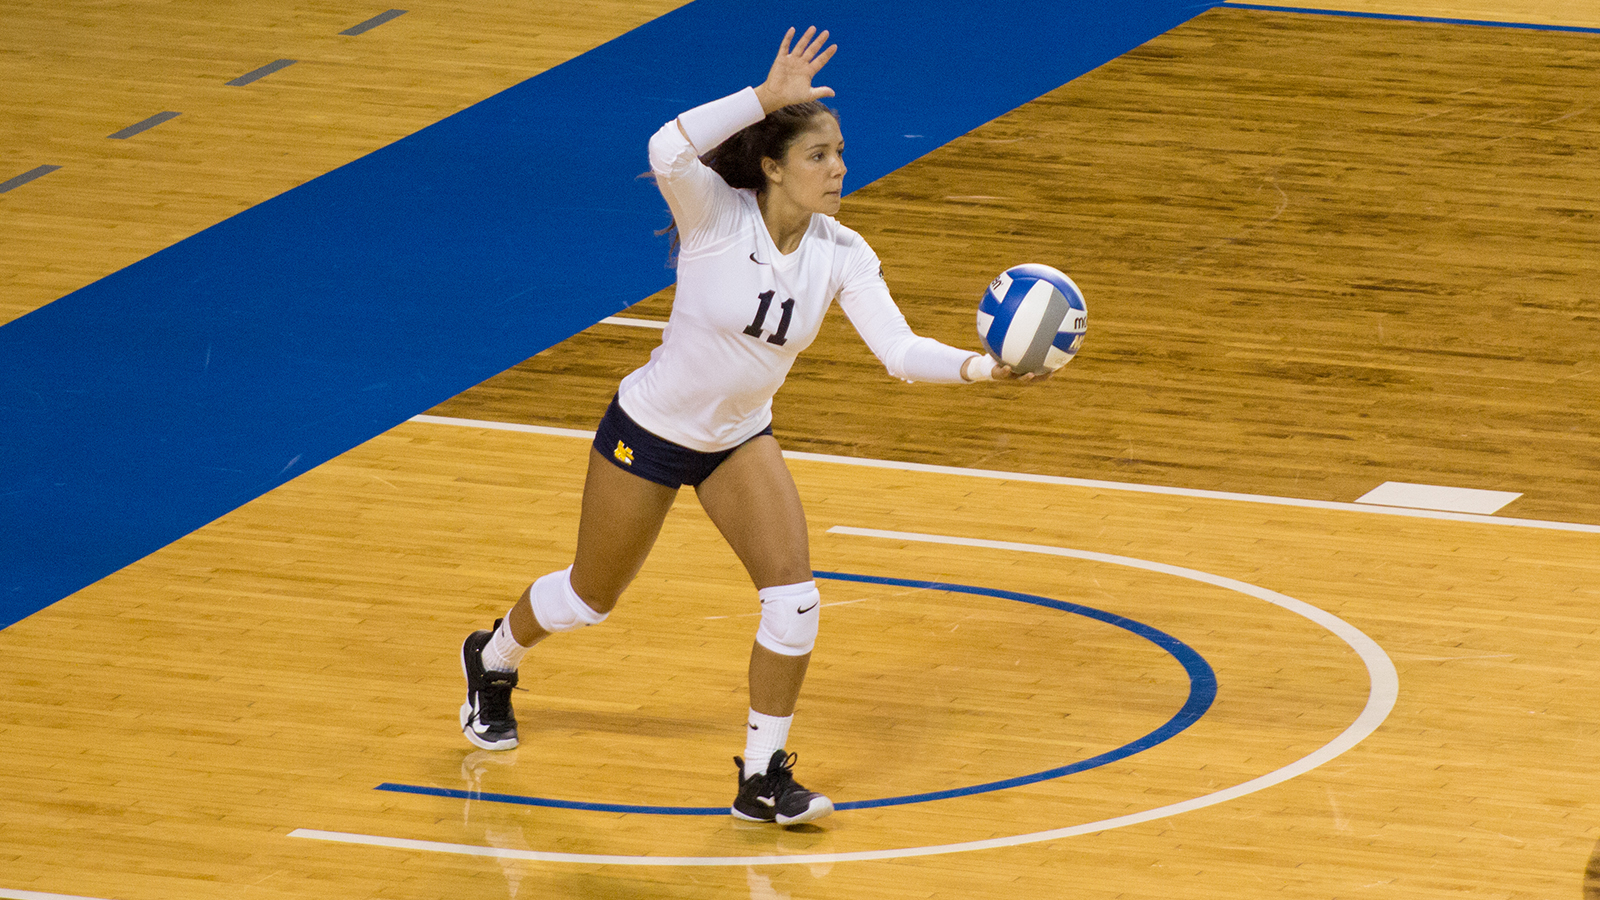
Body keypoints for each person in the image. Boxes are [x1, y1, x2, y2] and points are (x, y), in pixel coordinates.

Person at [459, 26, 1041, 827]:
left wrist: (984, 368)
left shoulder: (844, 252)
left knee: (794, 600)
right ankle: (493, 658)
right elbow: (667, 147)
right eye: (818, 155)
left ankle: (762, 777)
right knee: (591, 599)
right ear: (771, 166)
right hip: (651, 430)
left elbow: (900, 352)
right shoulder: (715, 215)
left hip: (738, 439)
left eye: (840, 152)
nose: (839, 168)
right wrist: (760, 99)